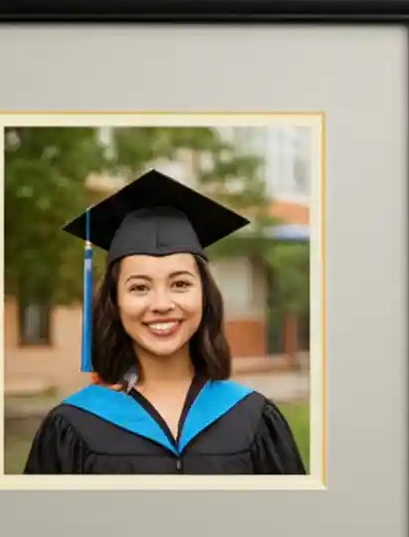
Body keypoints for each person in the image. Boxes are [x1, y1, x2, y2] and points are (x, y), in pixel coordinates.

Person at [23, 169, 306, 475]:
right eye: (139, 287)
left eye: (180, 284)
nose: (161, 304)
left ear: (205, 295)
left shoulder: (254, 420)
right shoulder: (72, 426)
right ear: (115, 302)